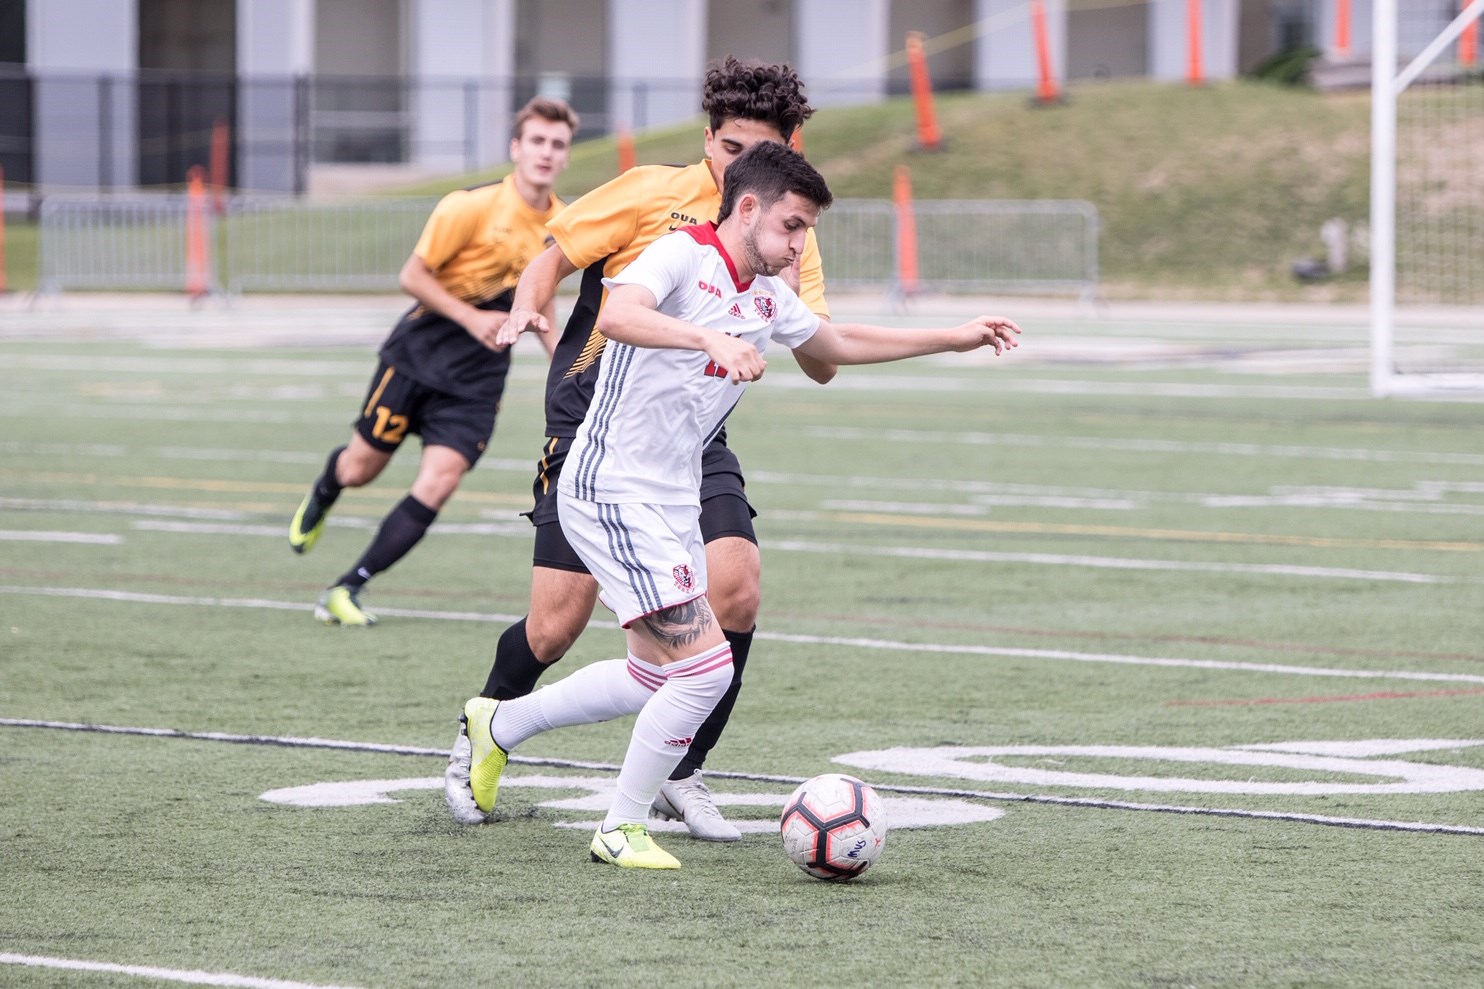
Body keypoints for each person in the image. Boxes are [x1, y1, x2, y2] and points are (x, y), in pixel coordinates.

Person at [455, 140, 1021, 870]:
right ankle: (620, 826)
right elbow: (619, 315)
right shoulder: (679, 255)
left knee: (652, 674)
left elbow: (836, 341)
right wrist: (707, 339)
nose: (799, 246)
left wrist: (953, 337)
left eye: (806, 230)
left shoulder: (767, 294)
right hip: (611, 487)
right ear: (747, 208)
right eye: (792, 226)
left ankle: (498, 725)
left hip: (670, 498)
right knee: (706, 670)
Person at [444, 58, 835, 839]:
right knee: (555, 625)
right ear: (707, 139)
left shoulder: (785, 226)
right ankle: (479, 735)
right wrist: (530, 313)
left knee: (737, 589)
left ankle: (682, 773)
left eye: (757, 151)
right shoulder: (652, 193)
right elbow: (552, 261)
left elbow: (822, 354)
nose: (735, 165)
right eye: (728, 148)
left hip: (690, 437)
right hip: (593, 429)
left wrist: (797, 309)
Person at [287, 97, 579, 625]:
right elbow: (412, 276)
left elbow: (543, 302)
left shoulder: (563, 225)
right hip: (418, 355)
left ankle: (347, 588)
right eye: (537, 140)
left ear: (566, 155)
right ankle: (326, 490)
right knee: (360, 469)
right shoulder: (468, 206)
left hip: (479, 377)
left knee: (440, 481)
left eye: (557, 144)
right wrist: (471, 319)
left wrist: (569, 368)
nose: (546, 152)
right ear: (515, 147)